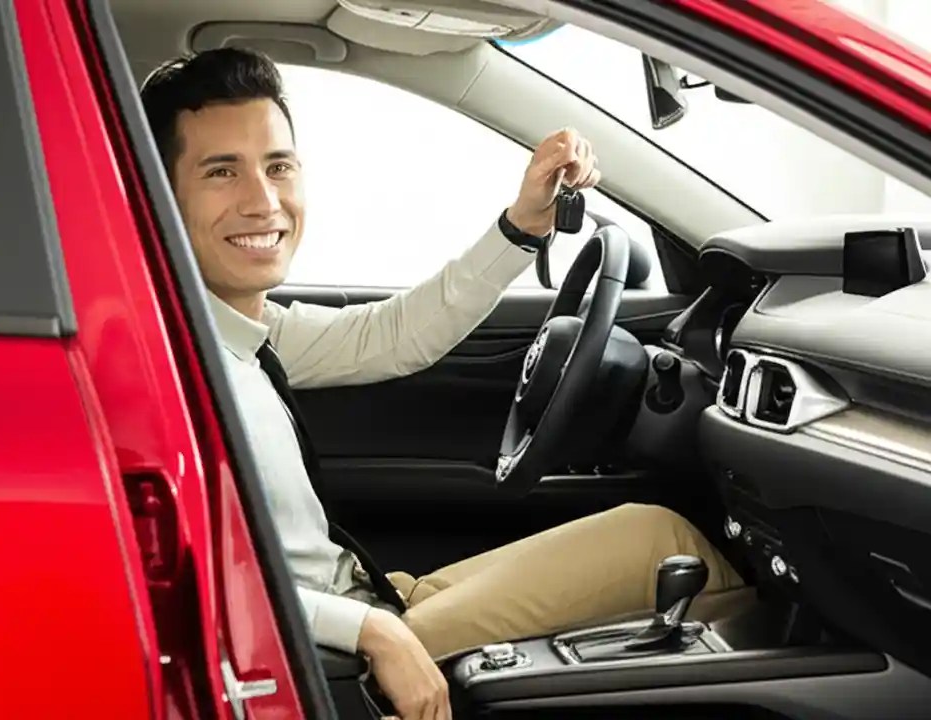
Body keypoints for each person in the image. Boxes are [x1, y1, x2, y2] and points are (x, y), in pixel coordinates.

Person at [140, 47, 744, 719]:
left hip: (372, 602)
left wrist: (522, 226)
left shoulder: (232, 328)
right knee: (679, 560)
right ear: (158, 195)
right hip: (323, 648)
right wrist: (366, 631)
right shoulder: (155, 368)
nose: (263, 200)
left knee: (653, 533)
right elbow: (175, 584)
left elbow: (396, 335)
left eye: (278, 166)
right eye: (222, 172)